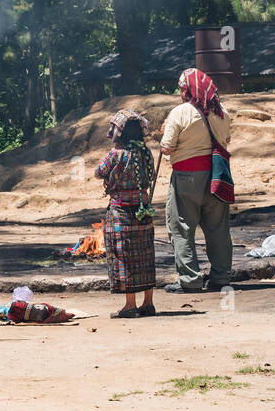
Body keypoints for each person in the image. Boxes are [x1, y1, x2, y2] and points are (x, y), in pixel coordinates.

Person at [161, 69, 234, 292]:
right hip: (217, 176)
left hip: (187, 178)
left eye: (182, 89)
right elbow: (226, 139)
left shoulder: (180, 112)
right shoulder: (222, 112)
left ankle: (190, 280)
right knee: (218, 228)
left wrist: (164, 131)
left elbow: (167, 146)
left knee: (181, 226)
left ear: (187, 90)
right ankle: (221, 278)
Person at [94, 109, 157, 318]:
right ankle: (148, 303)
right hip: (143, 211)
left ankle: (130, 305)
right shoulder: (146, 153)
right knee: (145, 255)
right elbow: (152, 175)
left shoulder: (116, 155)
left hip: (121, 212)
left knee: (124, 255)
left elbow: (98, 172)